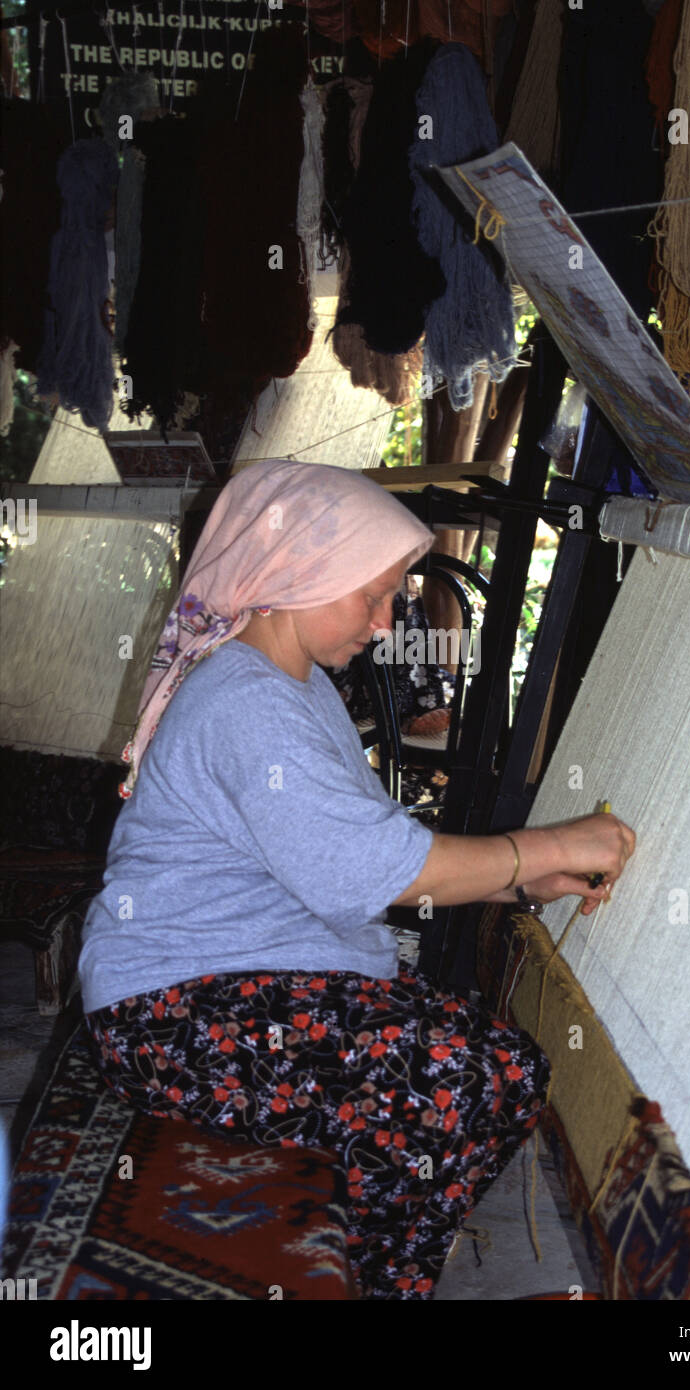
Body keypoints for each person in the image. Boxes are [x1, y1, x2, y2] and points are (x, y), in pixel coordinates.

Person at [79, 458, 635, 1301]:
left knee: (497, 1071)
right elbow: (369, 866)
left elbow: (355, 855)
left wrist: (522, 883)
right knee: (470, 1076)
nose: (383, 623)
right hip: (170, 1014)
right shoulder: (245, 703)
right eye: (370, 596)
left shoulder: (293, 689)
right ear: (292, 574)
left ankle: (366, 1271)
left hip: (237, 985)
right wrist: (545, 845)